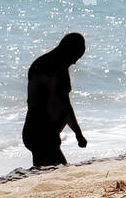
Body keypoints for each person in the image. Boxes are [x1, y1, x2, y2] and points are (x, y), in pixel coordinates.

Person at [22, 33, 87, 168]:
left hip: (31, 130)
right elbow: (64, 105)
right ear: (70, 51)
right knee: (59, 171)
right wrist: (78, 134)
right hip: (44, 134)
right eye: (76, 57)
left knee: (42, 172)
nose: (74, 62)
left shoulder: (39, 63)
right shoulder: (58, 69)